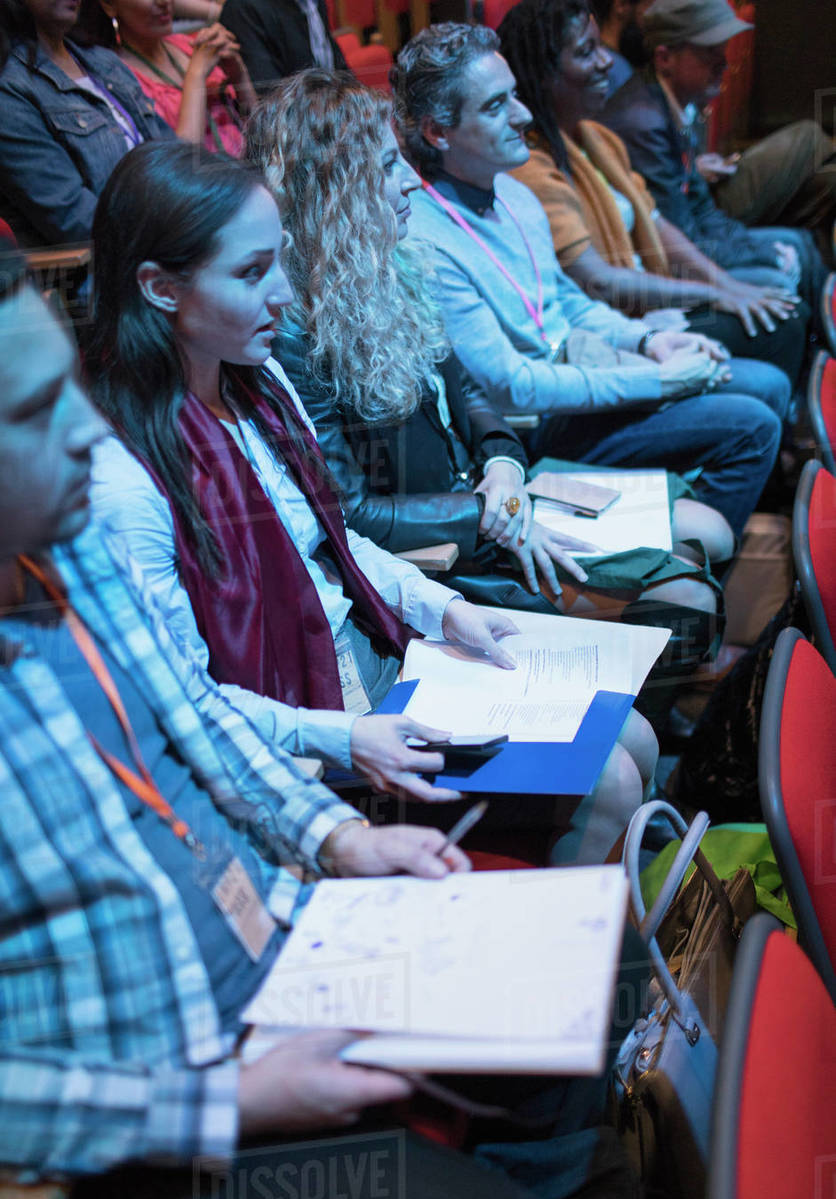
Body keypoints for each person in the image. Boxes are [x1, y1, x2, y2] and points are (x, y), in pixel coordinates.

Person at [0, 245, 651, 1199]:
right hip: (168, 1096)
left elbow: (199, 720)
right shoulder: (116, 504)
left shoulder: (69, 551)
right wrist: (228, 1105)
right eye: (30, 412)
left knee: (598, 972)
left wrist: (338, 839)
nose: (85, 439)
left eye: (68, 394)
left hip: (287, 943)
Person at [85, 140, 656, 863]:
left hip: (367, 656)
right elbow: (181, 701)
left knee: (631, 731)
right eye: (252, 273)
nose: (284, 294)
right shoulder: (124, 476)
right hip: (310, 730)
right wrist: (347, 737)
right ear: (161, 289)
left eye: (281, 261)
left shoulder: (255, 384)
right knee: (612, 778)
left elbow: (332, 541)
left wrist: (440, 608)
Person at [248, 69, 730, 703]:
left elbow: (474, 397)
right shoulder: (290, 331)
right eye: (389, 166)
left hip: (491, 499)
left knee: (709, 534)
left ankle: (639, 707)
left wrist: (503, 468)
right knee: (687, 593)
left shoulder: (398, 263)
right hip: (444, 547)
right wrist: (490, 515)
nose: (413, 182)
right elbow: (350, 515)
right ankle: (637, 725)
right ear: (336, 190)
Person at [392, 22, 790, 541]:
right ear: (437, 132)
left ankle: (690, 544)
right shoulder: (426, 238)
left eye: (514, 95)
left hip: (582, 375)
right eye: (496, 107)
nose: (524, 114)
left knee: (768, 383)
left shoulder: (513, 195)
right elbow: (511, 385)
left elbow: (568, 303)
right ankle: (684, 573)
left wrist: (648, 340)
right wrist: (659, 380)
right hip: (531, 432)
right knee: (752, 424)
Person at [497, 0, 809, 387]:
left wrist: (728, 287)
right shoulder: (532, 166)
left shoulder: (596, 139)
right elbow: (599, 281)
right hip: (616, 328)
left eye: (599, 46)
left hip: (647, 300)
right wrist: (710, 293)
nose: (606, 62)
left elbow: (662, 225)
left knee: (778, 292)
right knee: (784, 321)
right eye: (585, 52)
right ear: (542, 74)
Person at [601, 0, 830, 316]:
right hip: (661, 276)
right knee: (780, 276)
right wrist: (761, 254)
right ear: (665, 58)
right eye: (710, 55)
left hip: (693, 245)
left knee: (801, 243)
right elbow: (681, 242)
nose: (723, 64)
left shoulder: (672, 104)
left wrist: (756, 248)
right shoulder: (644, 122)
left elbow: (702, 208)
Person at [0, 0, 173, 246]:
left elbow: (176, 157)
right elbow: (76, 219)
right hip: (104, 267)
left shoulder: (103, 60)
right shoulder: (10, 88)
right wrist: (175, 231)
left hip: (169, 235)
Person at [79, 0, 256, 154]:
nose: (164, 2)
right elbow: (183, 165)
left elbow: (262, 130)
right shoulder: (114, 76)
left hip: (250, 172)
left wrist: (240, 76)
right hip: (205, 188)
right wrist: (196, 76)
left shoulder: (191, 44)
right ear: (109, 5)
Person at [219, 0, 346, 95]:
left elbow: (340, 72)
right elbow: (271, 102)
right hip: (297, 123)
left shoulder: (311, 3)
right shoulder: (244, 10)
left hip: (331, 114)